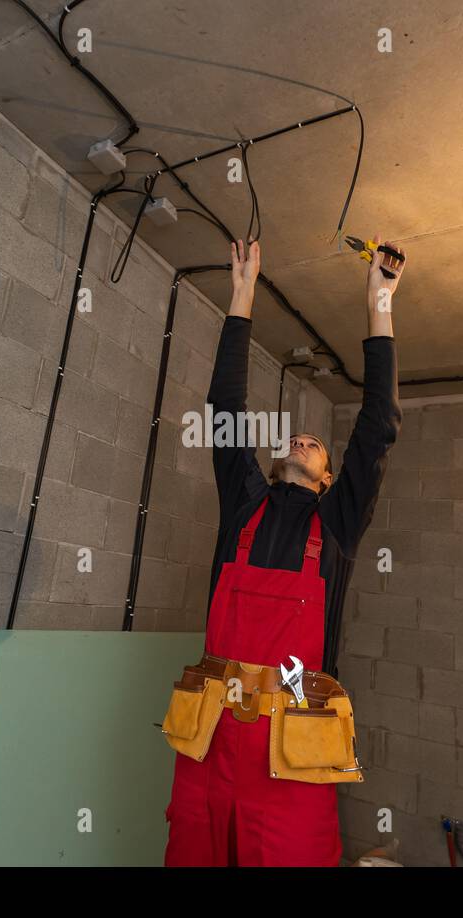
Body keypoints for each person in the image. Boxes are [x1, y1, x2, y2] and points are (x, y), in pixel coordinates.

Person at [162, 233, 404, 867]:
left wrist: (380, 302)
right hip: (209, 743)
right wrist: (241, 293)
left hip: (292, 750)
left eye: (315, 445)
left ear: (327, 479)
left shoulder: (338, 527)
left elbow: (378, 426)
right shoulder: (244, 505)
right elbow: (223, 409)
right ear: (274, 464)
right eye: (295, 439)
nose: (302, 440)